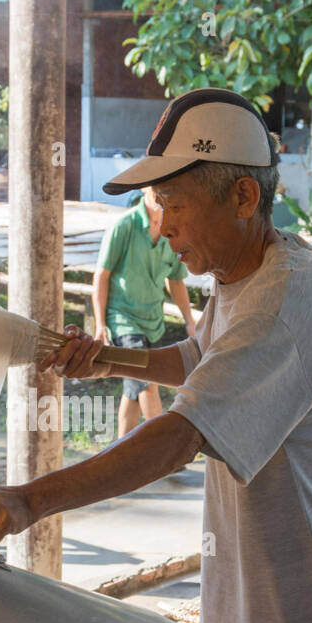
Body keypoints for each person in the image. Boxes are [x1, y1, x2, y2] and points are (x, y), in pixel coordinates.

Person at [0, 88, 312, 623]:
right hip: (252, 596)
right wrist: (111, 362)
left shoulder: (284, 300)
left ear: (244, 196)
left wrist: (27, 501)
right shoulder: (241, 272)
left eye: (173, 203)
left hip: (307, 618)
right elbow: (201, 357)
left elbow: (180, 438)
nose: (163, 226)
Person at [94, 188, 196, 438]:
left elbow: (176, 281)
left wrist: (189, 321)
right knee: (147, 383)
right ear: (144, 189)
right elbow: (101, 276)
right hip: (123, 320)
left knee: (133, 388)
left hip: (153, 321)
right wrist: (100, 325)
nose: (160, 195)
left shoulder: (173, 230)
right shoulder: (124, 226)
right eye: (154, 189)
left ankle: (117, 451)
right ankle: (164, 449)